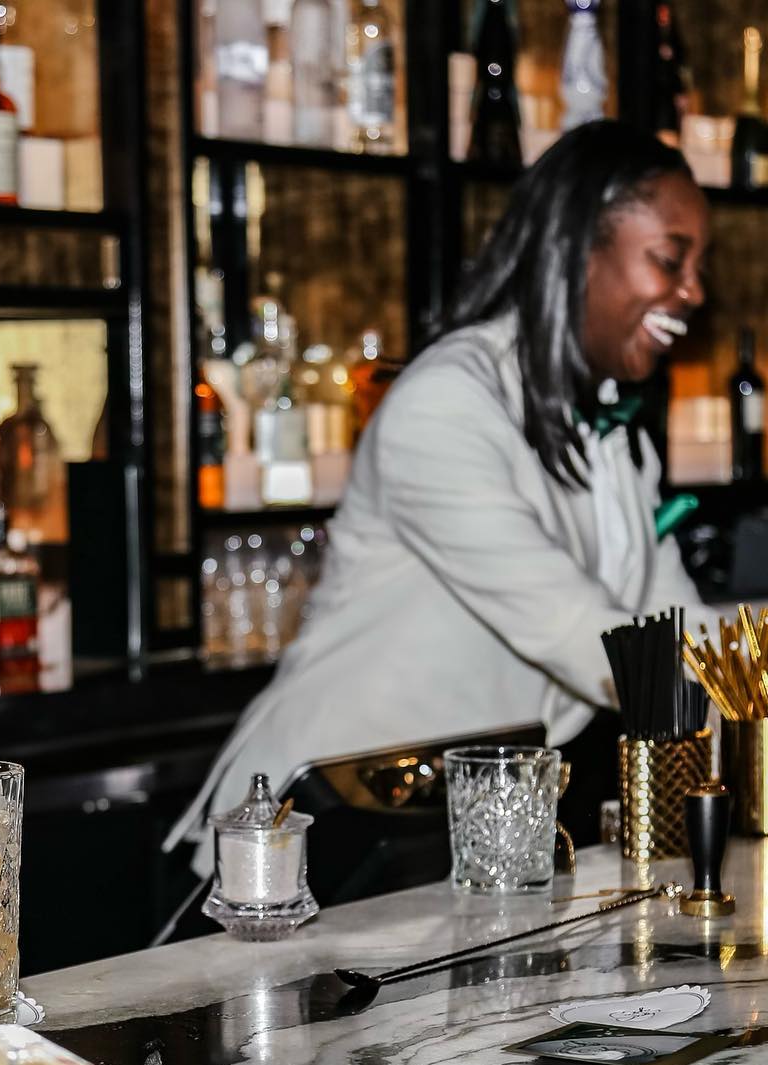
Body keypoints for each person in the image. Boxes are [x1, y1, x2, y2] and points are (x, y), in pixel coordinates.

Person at [169, 120, 713, 867]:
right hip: (326, 821)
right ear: (574, 249)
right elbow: (582, 636)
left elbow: (675, 623)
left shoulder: (609, 429)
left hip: (462, 823)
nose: (693, 291)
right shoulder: (446, 403)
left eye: (698, 267)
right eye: (670, 260)